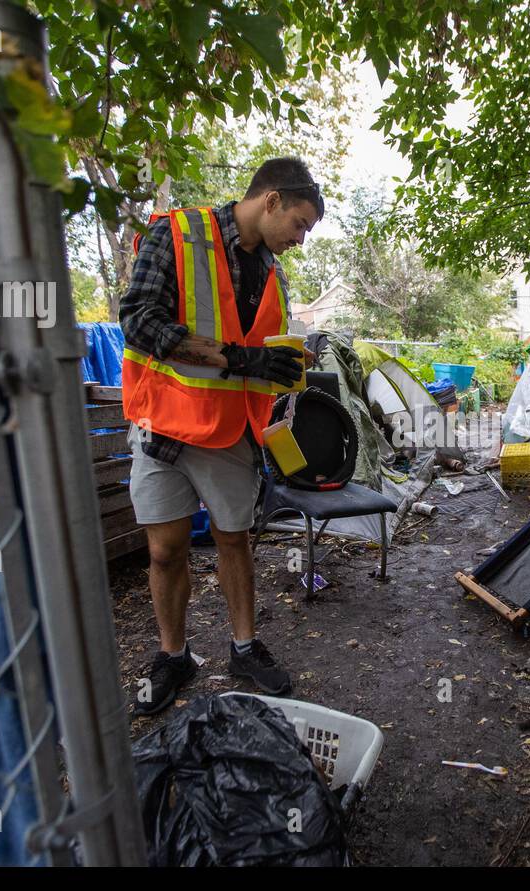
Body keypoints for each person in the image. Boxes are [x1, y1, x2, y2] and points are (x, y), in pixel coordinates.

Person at [119, 157, 323, 716]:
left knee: (234, 540)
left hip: (231, 434)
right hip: (164, 426)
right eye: (300, 225)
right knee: (165, 550)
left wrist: (283, 361)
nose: (300, 240)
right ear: (272, 200)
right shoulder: (177, 233)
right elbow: (138, 319)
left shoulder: (274, 274)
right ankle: (172, 655)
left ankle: (243, 646)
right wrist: (239, 358)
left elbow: (256, 346)